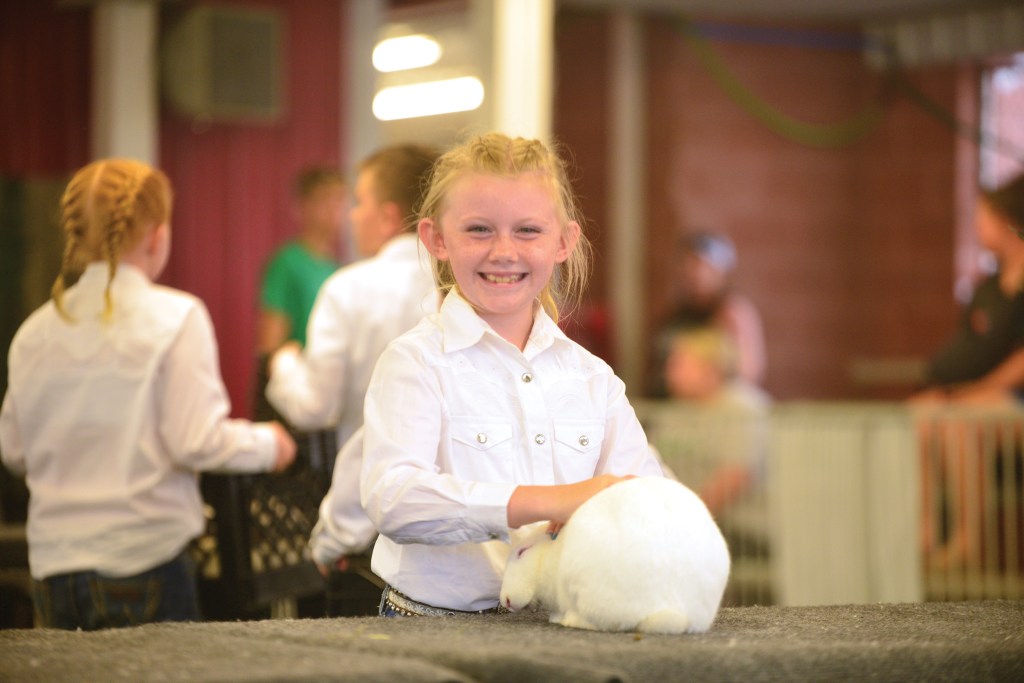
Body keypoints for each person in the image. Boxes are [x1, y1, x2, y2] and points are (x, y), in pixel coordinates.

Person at [359, 132, 665, 617]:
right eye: (479, 229)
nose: (504, 251)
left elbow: (642, 497)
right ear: (436, 238)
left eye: (527, 231)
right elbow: (394, 499)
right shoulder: (415, 361)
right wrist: (555, 501)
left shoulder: (593, 378)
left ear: (564, 241)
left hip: (564, 625)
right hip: (430, 627)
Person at [0, 159, 297, 631]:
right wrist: (269, 444)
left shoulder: (33, 332)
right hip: (143, 562)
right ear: (158, 235)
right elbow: (194, 441)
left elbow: (15, 452)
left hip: (52, 569)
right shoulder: (176, 316)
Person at [265, 145, 440, 602]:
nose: (350, 216)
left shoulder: (347, 289)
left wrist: (282, 364)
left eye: (358, 203)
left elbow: (313, 408)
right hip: (454, 525)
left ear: (387, 216)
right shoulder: (457, 288)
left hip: (366, 524)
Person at [910, 171, 1024, 570]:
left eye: (984, 215)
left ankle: (967, 540)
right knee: (921, 415)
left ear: (1010, 220)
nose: (976, 224)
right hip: (982, 394)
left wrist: (981, 390)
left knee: (960, 423)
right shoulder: (990, 286)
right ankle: (923, 534)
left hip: (1011, 402)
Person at [662, 326, 770, 517]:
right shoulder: (674, 410)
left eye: (680, 363)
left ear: (710, 368)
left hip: (738, 530)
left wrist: (688, 514)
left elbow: (737, 475)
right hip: (684, 521)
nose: (670, 370)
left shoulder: (742, 407)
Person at [647, 229, 766, 397]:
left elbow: (749, 371)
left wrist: (706, 376)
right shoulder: (674, 317)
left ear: (721, 272)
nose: (694, 274)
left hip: (717, 409)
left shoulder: (733, 313)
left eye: (701, 266)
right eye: (687, 265)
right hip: (676, 408)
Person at [258, 166, 348, 357]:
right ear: (301, 207)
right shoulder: (286, 263)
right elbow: (270, 340)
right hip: (296, 379)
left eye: (339, 200)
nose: (333, 209)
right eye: (324, 200)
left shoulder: (338, 268)